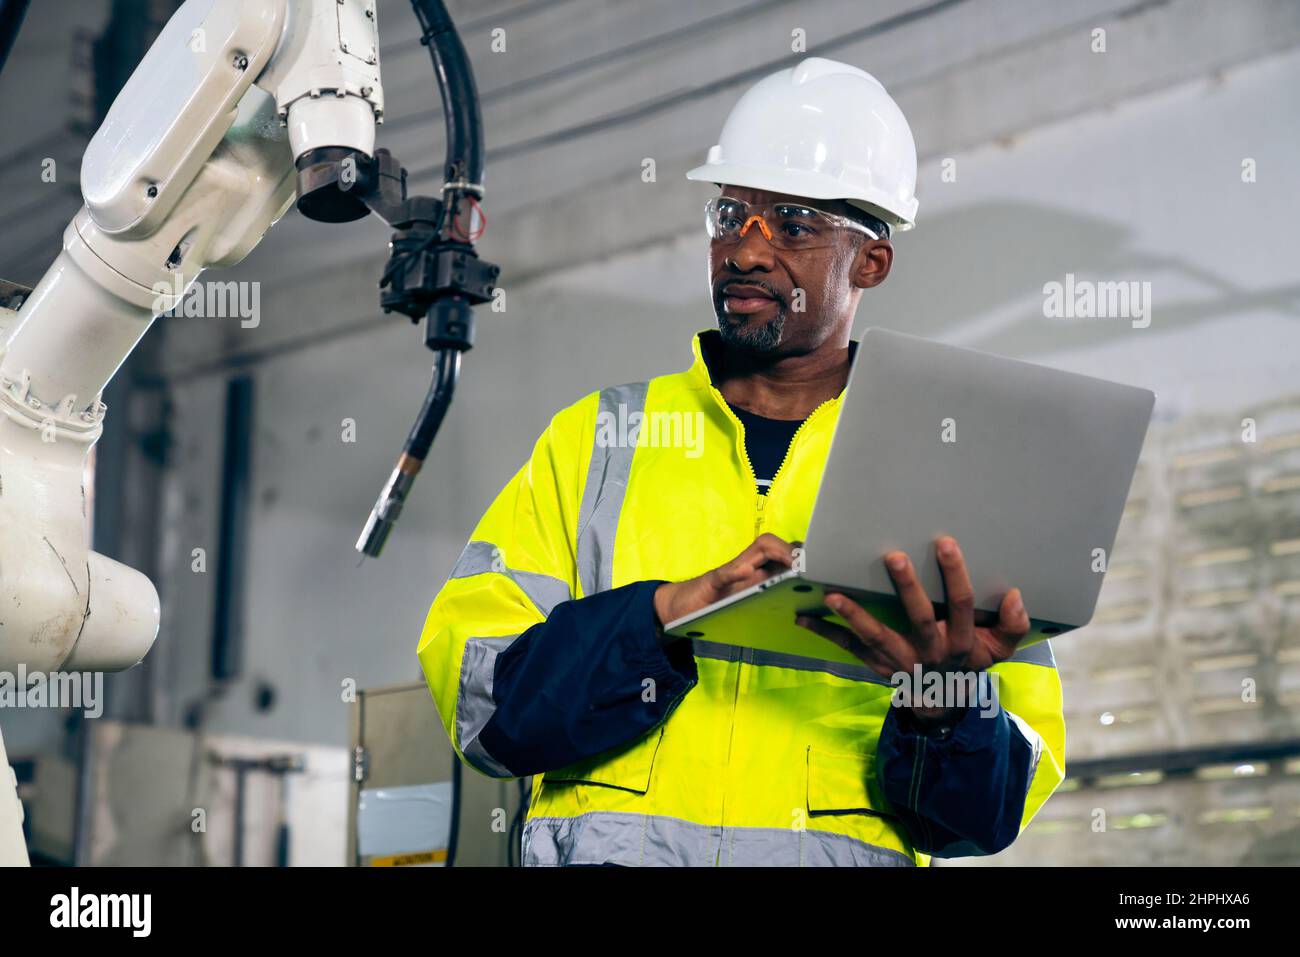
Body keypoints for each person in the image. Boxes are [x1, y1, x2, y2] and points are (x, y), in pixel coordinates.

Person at [418, 58, 1065, 866]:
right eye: (730, 215)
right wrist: (662, 615)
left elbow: (983, 818)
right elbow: (487, 709)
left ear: (870, 263)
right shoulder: (598, 440)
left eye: (792, 224)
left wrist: (943, 704)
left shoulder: (943, 468)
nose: (745, 252)